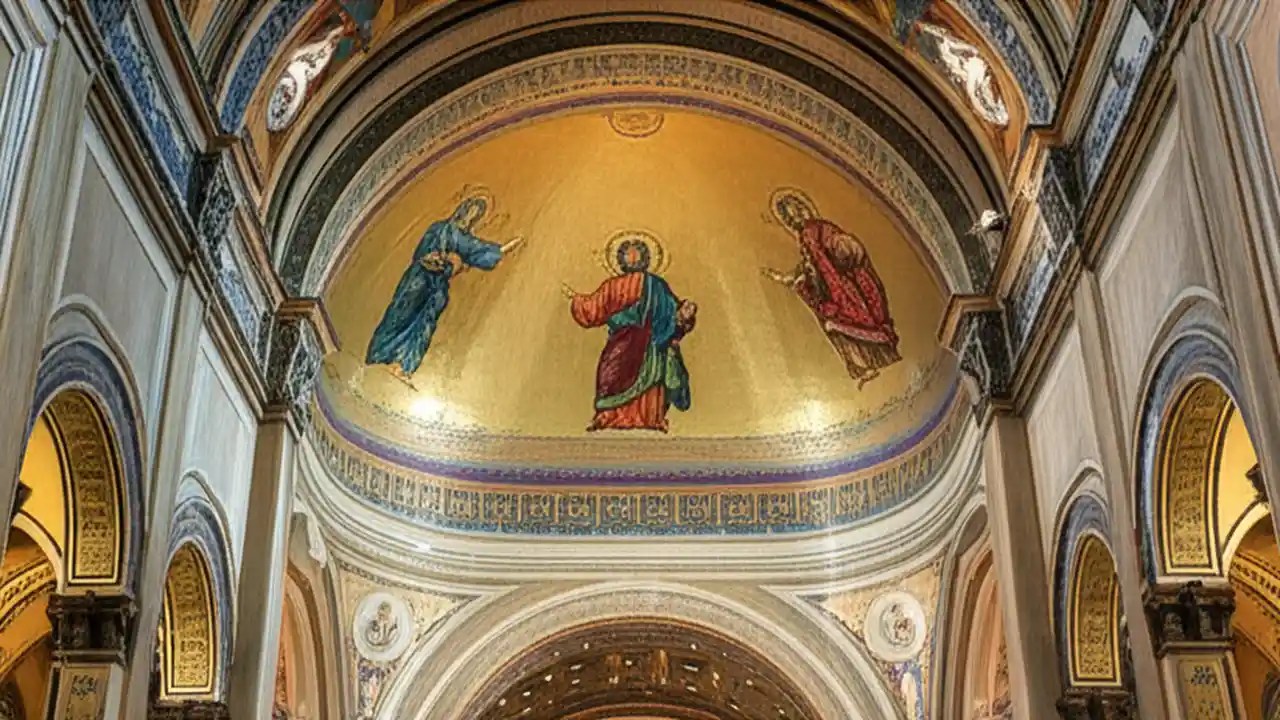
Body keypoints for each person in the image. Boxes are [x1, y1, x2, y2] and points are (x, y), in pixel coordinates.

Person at [365, 196, 523, 380]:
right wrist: (446, 258)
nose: (469, 218)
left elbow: (482, 252)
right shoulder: (438, 228)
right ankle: (380, 355)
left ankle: (403, 365)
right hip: (418, 280)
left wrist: (508, 247)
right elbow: (422, 253)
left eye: (475, 216)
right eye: (468, 212)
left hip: (437, 290)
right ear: (461, 209)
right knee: (400, 316)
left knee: (424, 326)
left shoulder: (465, 240)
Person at [763, 191, 900, 388]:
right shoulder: (805, 238)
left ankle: (871, 363)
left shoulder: (819, 228)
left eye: (796, 213)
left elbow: (838, 244)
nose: (794, 219)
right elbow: (808, 266)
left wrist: (844, 248)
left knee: (843, 321)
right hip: (831, 292)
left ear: (804, 210)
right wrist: (788, 278)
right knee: (833, 324)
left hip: (844, 289)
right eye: (789, 218)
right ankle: (863, 367)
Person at [564, 239, 695, 432]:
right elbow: (674, 315)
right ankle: (636, 417)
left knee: (612, 373)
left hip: (633, 343)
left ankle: (628, 417)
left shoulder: (618, 286)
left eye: (635, 257)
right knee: (618, 373)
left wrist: (575, 299)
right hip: (643, 344)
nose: (633, 261)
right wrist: (683, 313)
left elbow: (591, 309)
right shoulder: (654, 285)